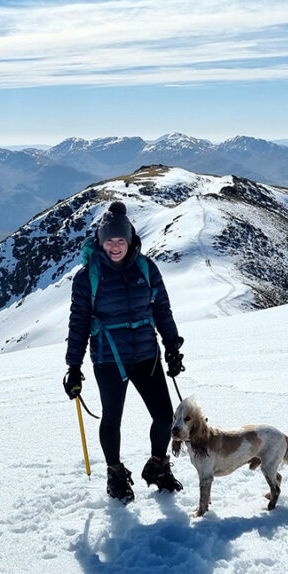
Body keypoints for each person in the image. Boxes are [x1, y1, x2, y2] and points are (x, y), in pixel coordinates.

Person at [63, 201, 186, 503]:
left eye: (120, 240)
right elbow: (78, 322)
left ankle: (159, 466)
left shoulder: (146, 268)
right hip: (108, 358)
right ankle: (115, 474)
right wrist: (73, 366)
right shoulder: (87, 276)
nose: (115, 246)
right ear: (100, 241)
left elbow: (162, 310)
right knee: (112, 419)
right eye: (109, 241)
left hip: (147, 354)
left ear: (130, 240)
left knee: (164, 417)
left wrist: (172, 346)